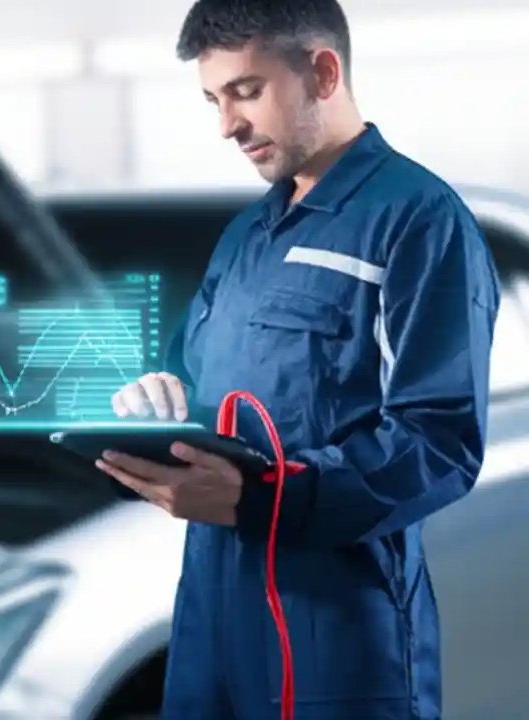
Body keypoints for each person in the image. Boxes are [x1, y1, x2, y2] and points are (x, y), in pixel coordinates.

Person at [98, 1, 500, 718]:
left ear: (321, 71)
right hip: (208, 620)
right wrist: (153, 406)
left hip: (338, 632)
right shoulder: (246, 236)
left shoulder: (418, 221)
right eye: (213, 100)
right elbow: (190, 381)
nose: (227, 125)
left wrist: (261, 498)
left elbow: (438, 444)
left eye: (246, 91)